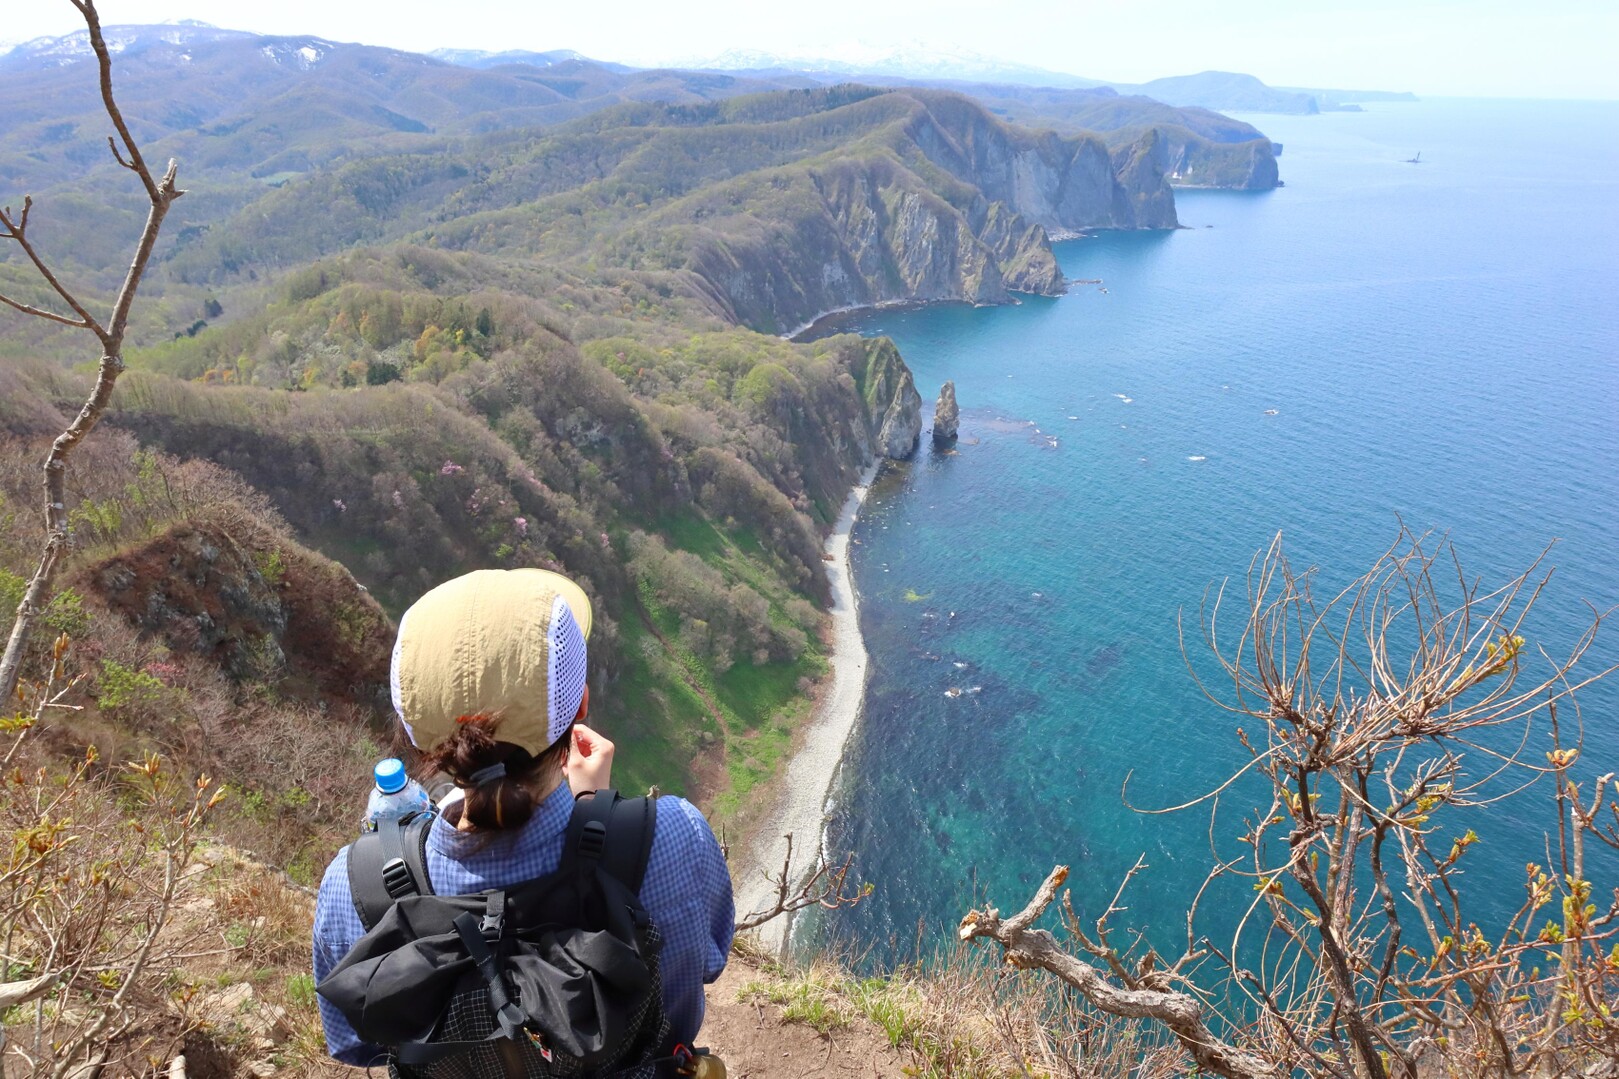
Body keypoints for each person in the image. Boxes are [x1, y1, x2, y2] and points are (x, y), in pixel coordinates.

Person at [312, 568, 734, 1068]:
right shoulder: (670, 837)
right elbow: (705, 964)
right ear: (580, 705)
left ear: (419, 739)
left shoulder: (355, 885)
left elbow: (355, 1046)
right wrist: (596, 828)